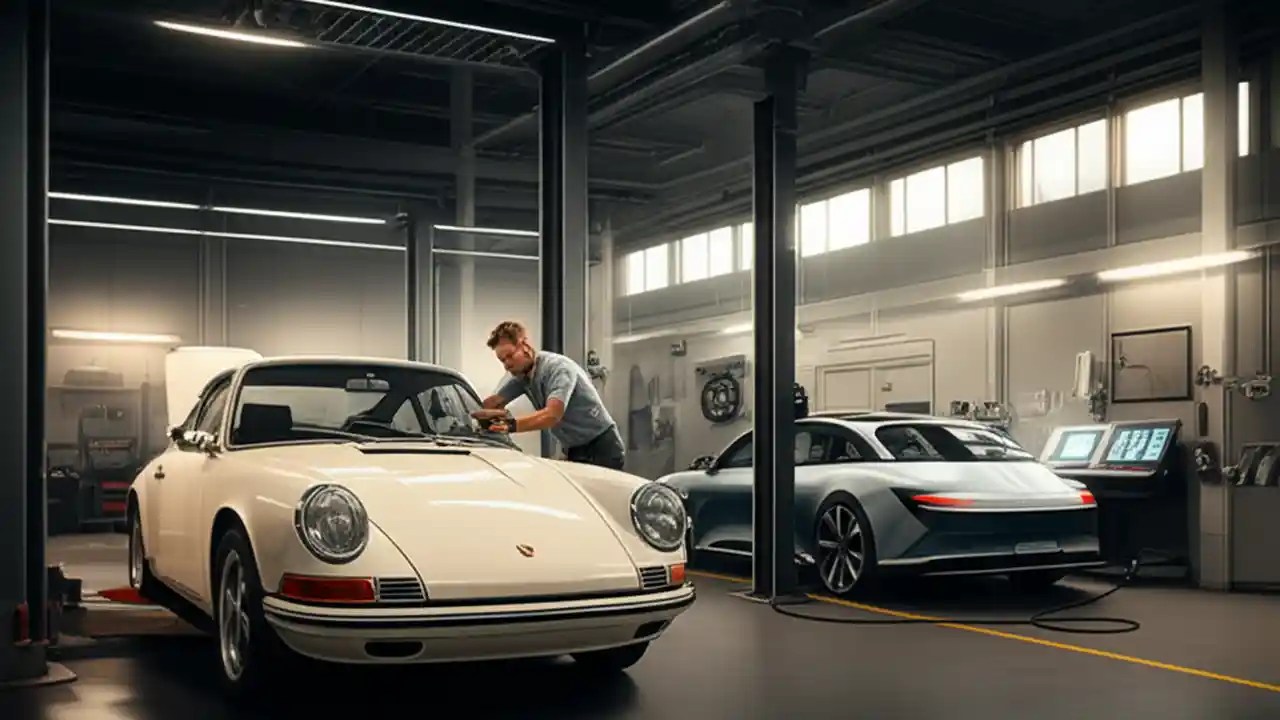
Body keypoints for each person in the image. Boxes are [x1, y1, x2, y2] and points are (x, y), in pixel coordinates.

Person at [471, 320, 626, 470]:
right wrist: (469, 415)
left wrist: (510, 425)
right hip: (574, 449)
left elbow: (552, 415)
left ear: (524, 345)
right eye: (502, 360)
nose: (506, 365)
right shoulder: (522, 376)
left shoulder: (558, 369)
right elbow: (492, 403)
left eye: (510, 356)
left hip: (602, 446)